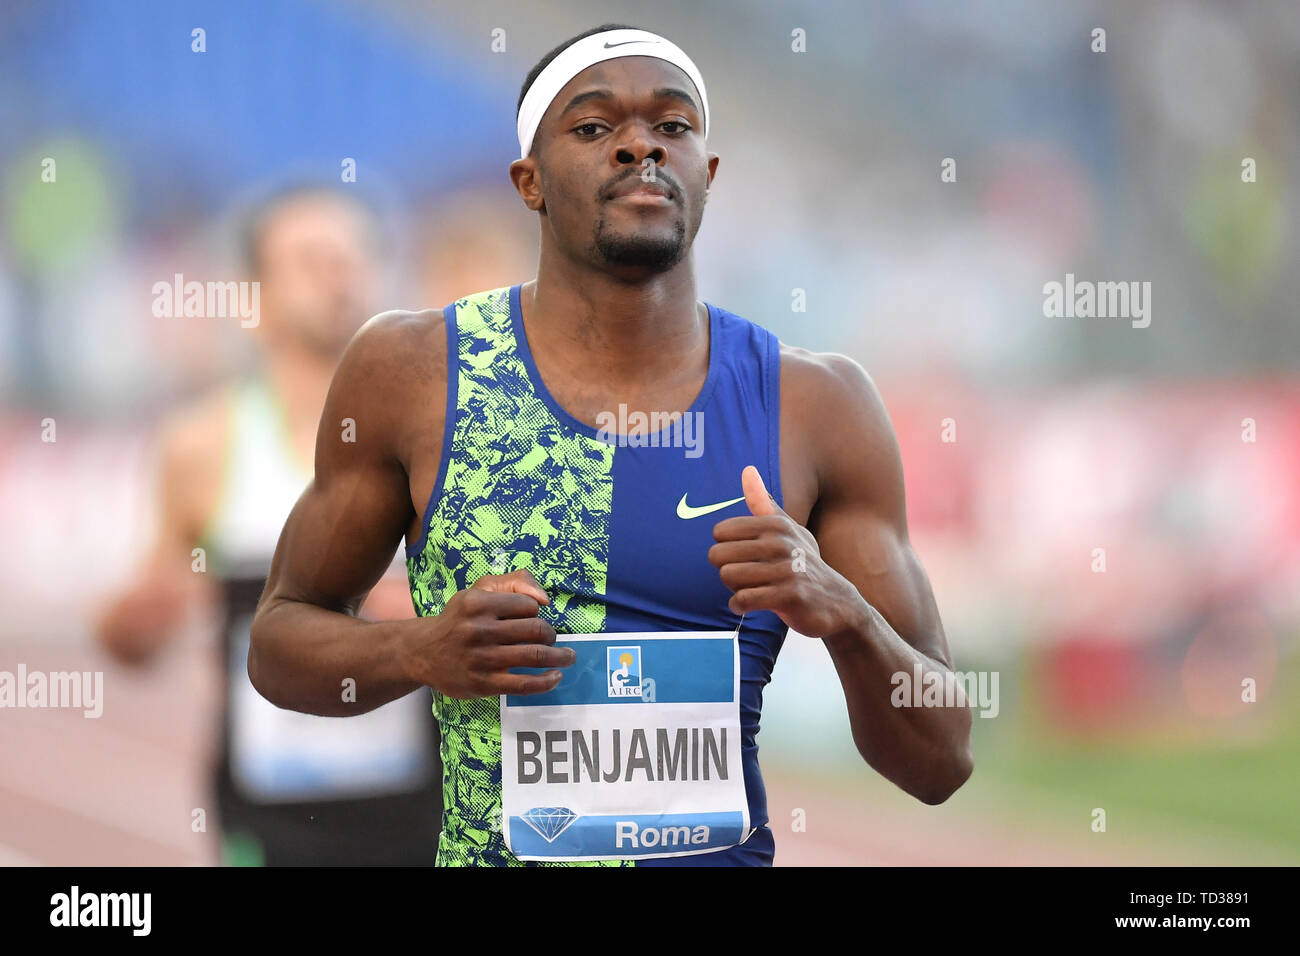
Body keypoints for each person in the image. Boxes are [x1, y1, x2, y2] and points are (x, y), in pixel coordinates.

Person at [248, 25, 973, 867]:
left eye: (672, 126)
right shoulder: (413, 373)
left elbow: (941, 760)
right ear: (530, 182)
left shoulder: (818, 405)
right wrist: (418, 649)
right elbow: (279, 644)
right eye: (594, 129)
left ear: (707, 172)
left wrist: (843, 612)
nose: (640, 146)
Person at [96, 186, 442, 866]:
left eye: (354, 258)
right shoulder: (203, 445)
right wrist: (133, 623)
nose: (340, 276)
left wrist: (414, 613)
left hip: (424, 805)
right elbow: (135, 634)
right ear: (251, 300)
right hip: (270, 810)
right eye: (312, 260)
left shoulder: (437, 436)